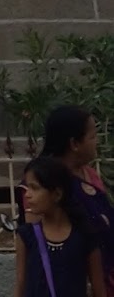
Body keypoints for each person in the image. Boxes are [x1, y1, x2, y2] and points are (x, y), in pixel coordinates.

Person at [40, 105, 114, 292]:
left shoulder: (91, 176)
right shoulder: (47, 185)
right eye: (92, 137)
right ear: (74, 144)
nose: (96, 142)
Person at [15, 154, 104, 297]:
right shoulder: (26, 235)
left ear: (57, 194)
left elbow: (99, 291)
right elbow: (20, 287)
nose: (27, 195)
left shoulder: (85, 236)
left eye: (34, 188)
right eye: (26, 188)